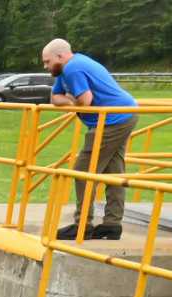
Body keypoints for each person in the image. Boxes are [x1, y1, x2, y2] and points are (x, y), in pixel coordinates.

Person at [44, 39, 136, 240]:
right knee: (113, 172)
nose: (46, 66)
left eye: (47, 62)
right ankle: (112, 225)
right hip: (122, 115)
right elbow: (55, 98)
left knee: (83, 171)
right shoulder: (66, 69)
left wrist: (72, 98)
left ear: (60, 57)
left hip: (111, 120)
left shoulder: (73, 69)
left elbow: (85, 100)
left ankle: (83, 225)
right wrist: (70, 98)